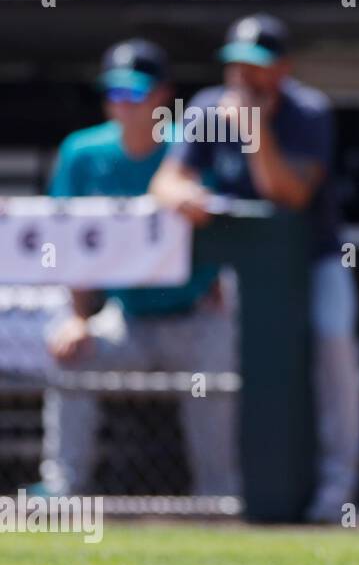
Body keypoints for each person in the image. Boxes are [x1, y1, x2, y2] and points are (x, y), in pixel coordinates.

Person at [149, 15, 359, 523]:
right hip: (244, 272)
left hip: (315, 261)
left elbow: (288, 194)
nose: (246, 77)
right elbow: (165, 182)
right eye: (238, 66)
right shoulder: (204, 109)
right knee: (225, 366)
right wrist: (186, 196)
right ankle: (228, 495)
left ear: (282, 69)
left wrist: (254, 129)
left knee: (333, 345)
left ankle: (337, 491)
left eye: (258, 67)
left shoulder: (307, 110)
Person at [41, 39, 239, 496]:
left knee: (217, 372)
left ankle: (219, 498)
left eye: (136, 93)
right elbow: (69, 243)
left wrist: (218, 277)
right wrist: (77, 318)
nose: (124, 105)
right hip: (124, 317)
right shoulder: (82, 152)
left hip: (193, 314)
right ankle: (63, 489)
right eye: (115, 93)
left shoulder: (189, 144)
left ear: (162, 96)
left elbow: (226, 221)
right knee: (71, 352)